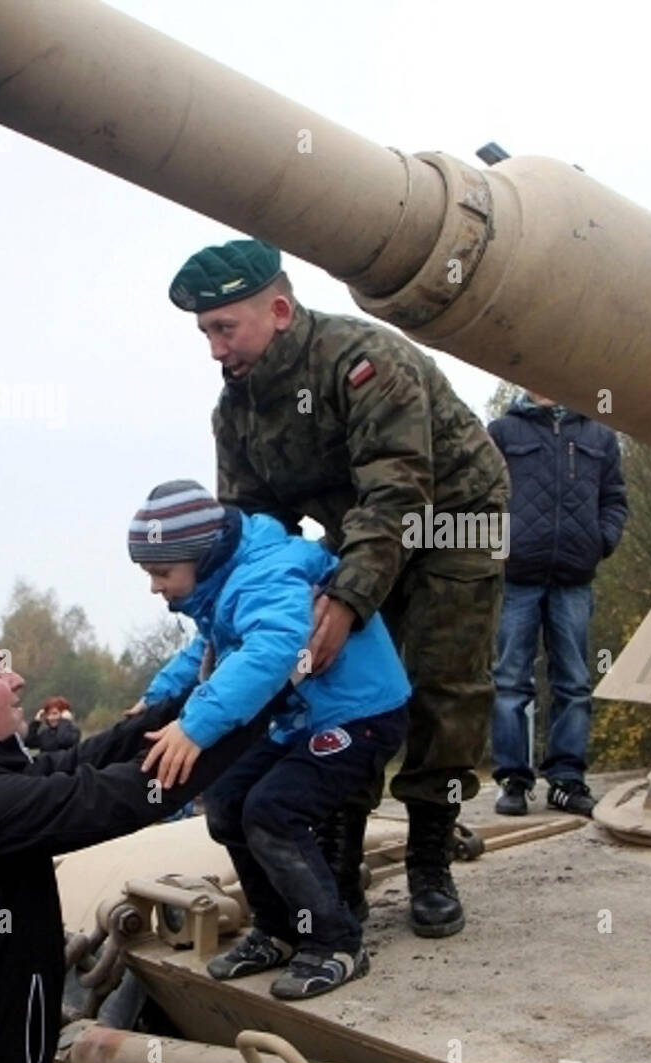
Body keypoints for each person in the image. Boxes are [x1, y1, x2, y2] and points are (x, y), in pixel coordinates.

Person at [169, 239, 509, 938]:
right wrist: (247, 631)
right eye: (204, 331)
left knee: (446, 687)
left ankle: (430, 854)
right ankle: (338, 855)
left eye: (224, 328)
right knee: (330, 685)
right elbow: (254, 534)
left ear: (281, 310)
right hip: (357, 530)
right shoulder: (235, 412)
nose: (213, 349)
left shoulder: (364, 362)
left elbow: (398, 490)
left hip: (455, 518)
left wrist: (350, 600)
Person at [0, 617, 272, 1063]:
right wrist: (265, 692)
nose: (17, 678)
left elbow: (81, 761)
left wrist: (203, 697)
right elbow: (118, 796)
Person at [127, 480, 410, 997]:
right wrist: (156, 698)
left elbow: (270, 652)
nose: (154, 586)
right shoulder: (223, 581)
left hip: (359, 712)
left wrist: (195, 725)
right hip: (306, 717)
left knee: (272, 811)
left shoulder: (268, 573)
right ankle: (279, 929)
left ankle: (335, 942)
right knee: (229, 801)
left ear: (199, 555)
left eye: (160, 573)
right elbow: (208, 648)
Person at [486, 386, 628, 817]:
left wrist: (600, 541)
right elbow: (481, 492)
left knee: (574, 682)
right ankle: (513, 780)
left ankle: (567, 780)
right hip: (517, 578)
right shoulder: (502, 432)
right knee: (511, 680)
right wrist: (497, 546)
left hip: (574, 577)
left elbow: (615, 499)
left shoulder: (600, 435)